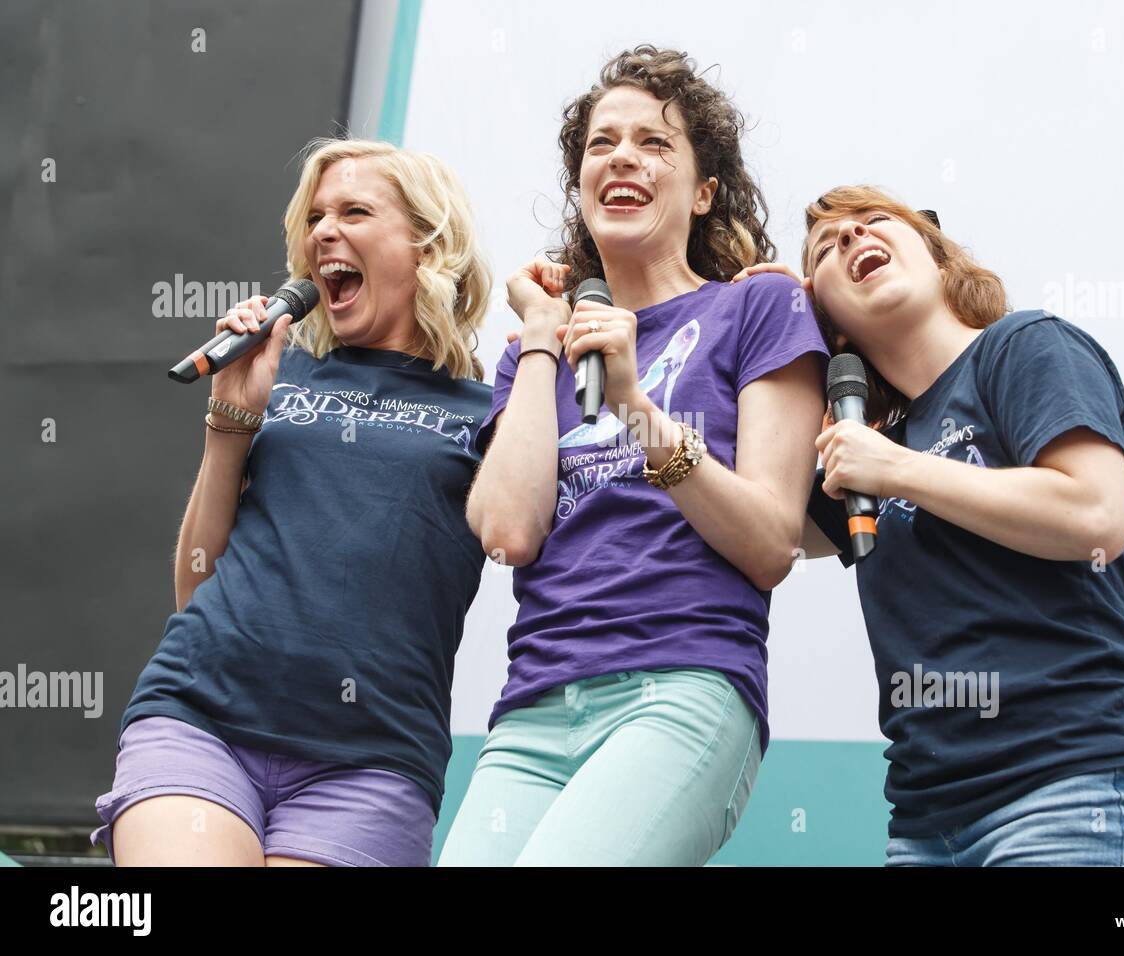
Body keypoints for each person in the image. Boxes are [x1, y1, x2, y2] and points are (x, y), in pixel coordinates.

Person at [436, 46, 829, 866]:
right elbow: (509, 530)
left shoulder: (757, 307)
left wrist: (637, 411)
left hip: (681, 688)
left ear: (704, 190)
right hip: (533, 709)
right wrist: (543, 339)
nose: (622, 156)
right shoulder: (533, 353)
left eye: (655, 143)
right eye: (601, 144)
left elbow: (767, 545)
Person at [734, 185, 1124, 866]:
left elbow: (1097, 517)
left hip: (1074, 796)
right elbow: (756, 534)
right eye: (828, 249)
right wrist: (770, 321)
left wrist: (897, 469)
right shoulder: (863, 445)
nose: (853, 239)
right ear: (828, 318)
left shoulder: (1025, 347)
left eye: (873, 222)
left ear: (938, 255)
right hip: (926, 829)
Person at [91, 139, 494, 866]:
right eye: (314, 217)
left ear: (429, 244)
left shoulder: (489, 414)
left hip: (370, 764)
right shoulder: (276, 372)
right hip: (200, 719)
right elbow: (195, 586)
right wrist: (229, 421)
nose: (323, 232)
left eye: (354, 211)